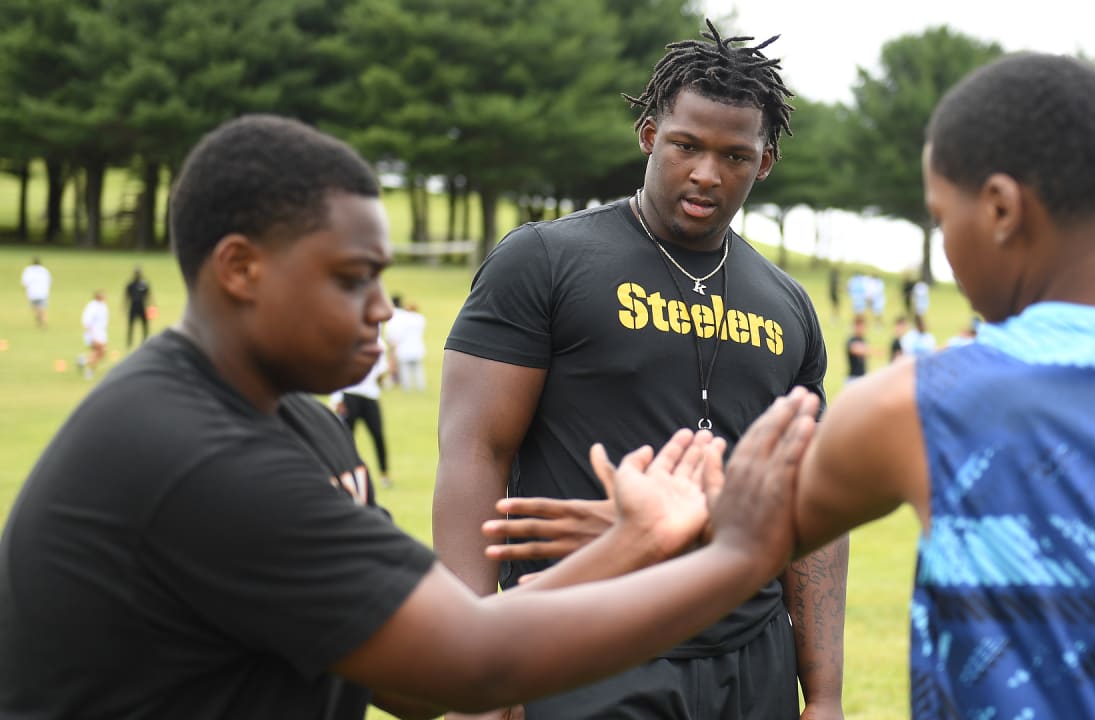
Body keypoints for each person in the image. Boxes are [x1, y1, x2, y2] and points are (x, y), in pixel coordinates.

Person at [0, 114, 822, 719]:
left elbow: (427, 661)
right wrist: (719, 548)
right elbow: (465, 667)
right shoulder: (193, 454)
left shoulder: (303, 427)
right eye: (352, 278)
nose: (385, 310)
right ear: (240, 269)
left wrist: (635, 544)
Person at [786, 53, 1095, 717]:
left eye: (939, 215)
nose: (944, 242)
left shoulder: (921, 404)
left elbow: (752, 541)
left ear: (1000, 209)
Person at [437, 20, 847, 720]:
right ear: (650, 135)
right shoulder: (543, 262)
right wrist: (477, 664)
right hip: (585, 640)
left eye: (735, 156)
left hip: (749, 662)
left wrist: (827, 693)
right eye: (686, 145)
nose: (706, 173)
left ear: (765, 162)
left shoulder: (788, 305)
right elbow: (475, 450)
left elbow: (808, 497)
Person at [332, 338, 393, 488]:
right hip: (350, 393)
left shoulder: (380, 343)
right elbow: (338, 369)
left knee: (378, 435)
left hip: (370, 396)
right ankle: (343, 473)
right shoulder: (349, 337)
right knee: (346, 437)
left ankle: (384, 474)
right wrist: (337, 398)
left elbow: (381, 371)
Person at [385, 298, 427, 391]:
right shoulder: (420, 319)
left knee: (405, 370)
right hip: (417, 348)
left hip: (405, 348)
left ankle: (407, 388)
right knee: (418, 370)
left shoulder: (403, 320)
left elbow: (398, 334)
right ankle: (421, 388)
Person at [78, 288, 109, 379]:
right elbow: (87, 322)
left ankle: (83, 361)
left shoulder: (102, 306)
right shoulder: (92, 307)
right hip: (94, 334)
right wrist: (93, 336)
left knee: (101, 352)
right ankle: (89, 371)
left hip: (100, 333)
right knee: (98, 351)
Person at [124, 265, 152, 347]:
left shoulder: (144, 284)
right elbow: (126, 296)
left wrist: (150, 306)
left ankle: (145, 340)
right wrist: (125, 306)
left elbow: (148, 295)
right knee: (131, 325)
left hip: (142, 306)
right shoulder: (130, 284)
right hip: (133, 306)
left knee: (145, 324)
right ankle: (129, 341)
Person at [20, 256, 51, 329]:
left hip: (32, 293)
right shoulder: (44, 270)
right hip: (43, 292)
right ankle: (43, 320)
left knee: (35, 308)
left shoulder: (28, 270)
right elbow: (49, 281)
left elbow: (24, 283)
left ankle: (40, 318)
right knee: (43, 308)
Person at [846, 314, 870, 383]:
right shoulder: (851, 340)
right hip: (853, 377)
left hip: (863, 376)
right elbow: (856, 349)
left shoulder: (863, 340)